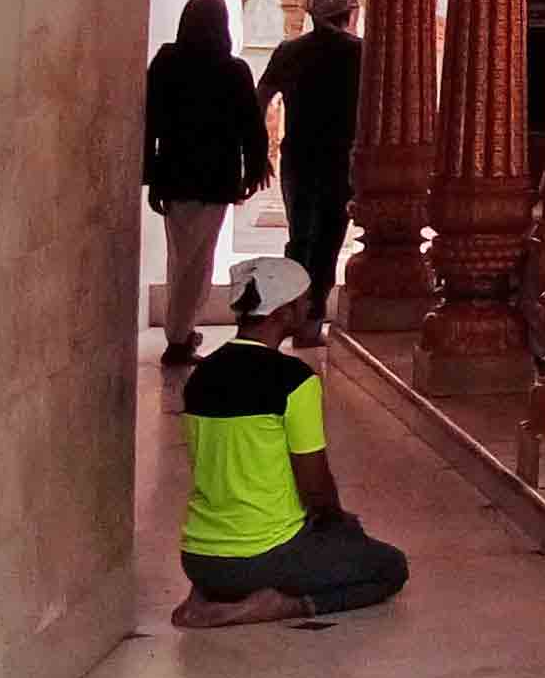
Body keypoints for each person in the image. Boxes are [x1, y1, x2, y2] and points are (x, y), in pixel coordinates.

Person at [171, 261, 410, 628]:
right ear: (283, 313)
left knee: (340, 538)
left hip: (200, 559)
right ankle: (274, 606)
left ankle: (210, 595)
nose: (309, 305)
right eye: (303, 300)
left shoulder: (201, 375)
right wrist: (337, 522)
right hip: (261, 555)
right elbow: (314, 484)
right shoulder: (294, 380)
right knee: (390, 567)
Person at [144, 0, 270, 368]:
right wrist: (254, 169)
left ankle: (180, 332)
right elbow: (252, 126)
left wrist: (151, 177)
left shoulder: (167, 62)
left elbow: (149, 121)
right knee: (198, 261)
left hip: (176, 177)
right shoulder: (233, 70)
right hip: (214, 180)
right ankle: (180, 337)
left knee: (181, 259)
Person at [258, 0, 364, 341]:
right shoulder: (358, 52)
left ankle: (290, 316)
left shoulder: (290, 51)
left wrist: (259, 149)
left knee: (299, 238)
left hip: (299, 156)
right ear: (347, 15)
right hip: (340, 158)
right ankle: (312, 318)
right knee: (329, 241)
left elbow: (262, 97)